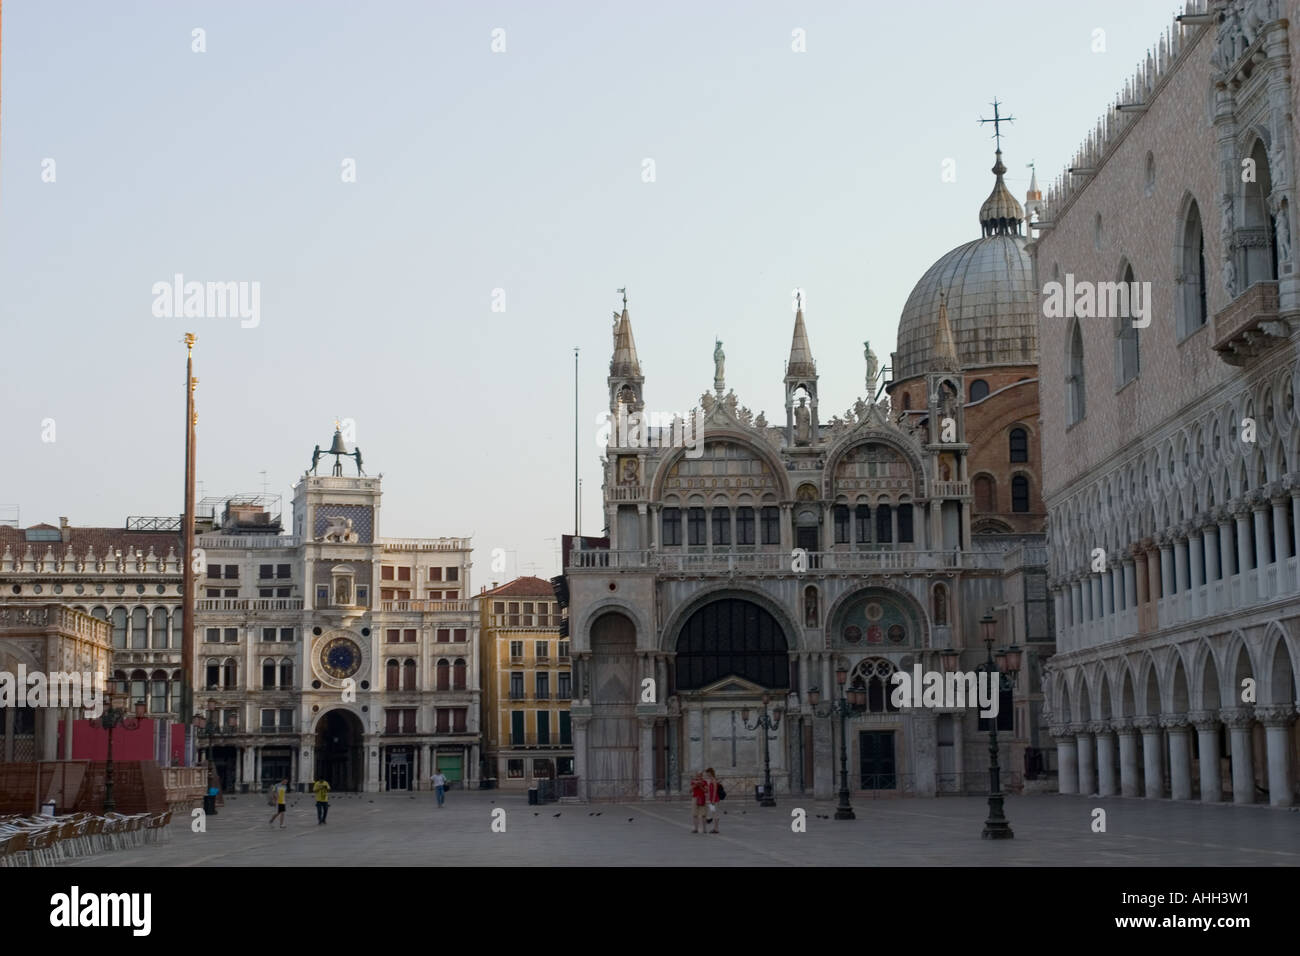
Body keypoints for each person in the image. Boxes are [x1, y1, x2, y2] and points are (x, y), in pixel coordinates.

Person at [705, 768, 721, 834]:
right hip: (711, 799)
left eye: (708, 773)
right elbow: (709, 791)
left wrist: (713, 800)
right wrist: (708, 798)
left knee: (715, 814)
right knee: (713, 813)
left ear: (711, 773)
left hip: (714, 800)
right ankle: (714, 828)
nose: (707, 774)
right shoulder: (710, 780)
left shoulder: (713, 780)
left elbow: (715, 791)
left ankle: (716, 828)